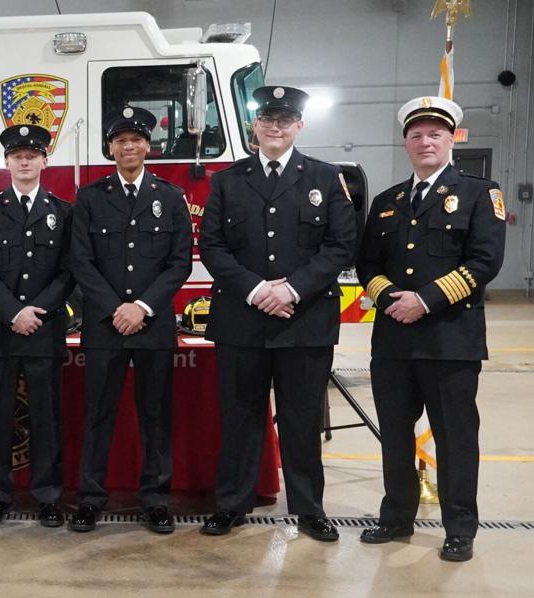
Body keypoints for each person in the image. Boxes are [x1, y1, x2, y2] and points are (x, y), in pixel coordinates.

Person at [198, 86, 356, 540]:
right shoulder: (228, 180)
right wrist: (254, 289)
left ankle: (309, 509)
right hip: (242, 320)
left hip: (303, 320)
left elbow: (340, 246)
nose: (275, 126)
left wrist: (291, 290)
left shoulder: (326, 179)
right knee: (240, 416)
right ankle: (233, 503)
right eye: (267, 118)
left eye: (285, 119)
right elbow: (212, 245)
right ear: (254, 125)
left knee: (301, 420)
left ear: (299, 126)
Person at [356, 96, 505, 562]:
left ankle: (460, 528)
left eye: (435, 134)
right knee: (395, 434)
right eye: (416, 134)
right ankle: (396, 516)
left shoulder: (482, 193)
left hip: (450, 339)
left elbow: (484, 263)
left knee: (456, 438)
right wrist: (388, 298)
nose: (425, 142)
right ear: (405, 142)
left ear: (451, 139)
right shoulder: (387, 201)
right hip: (394, 341)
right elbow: (367, 263)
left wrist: (424, 300)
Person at [67, 107, 193, 533]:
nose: (128, 147)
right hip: (104, 326)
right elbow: (80, 261)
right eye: (120, 141)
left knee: (155, 414)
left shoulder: (171, 197)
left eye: (135, 140)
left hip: (153, 325)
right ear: (110, 149)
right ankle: (90, 497)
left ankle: (155, 499)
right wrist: (115, 308)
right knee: (97, 413)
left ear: (147, 146)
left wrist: (142, 307)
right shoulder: (89, 197)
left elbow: (179, 264)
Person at [0, 124, 73, 527]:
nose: (24, 161)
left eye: (32, 154)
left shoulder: (63, 212)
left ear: (45, 160)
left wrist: (35, 312)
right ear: (6, 162)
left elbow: (68, 272)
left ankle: (48, 496)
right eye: (17, 155)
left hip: (43, 332)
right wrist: (13, 312)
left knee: (45, 417)